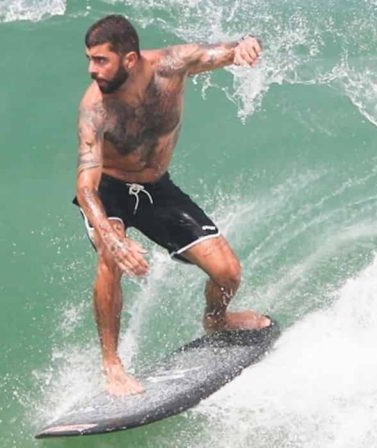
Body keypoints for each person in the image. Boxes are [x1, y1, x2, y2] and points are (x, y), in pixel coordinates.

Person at [74, 14, 271, 397]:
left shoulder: (172, 66)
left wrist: (246, 44)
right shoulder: (95, 107)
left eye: (101, 60)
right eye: (90, 59)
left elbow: (227, 51)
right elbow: (86, 186)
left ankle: (217, 320)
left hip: (155, 188)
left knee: (227, 273)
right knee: (110, 255)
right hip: (109, 190)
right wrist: (112, 240)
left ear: (129, 59)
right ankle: (112, 365)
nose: (91, 70)